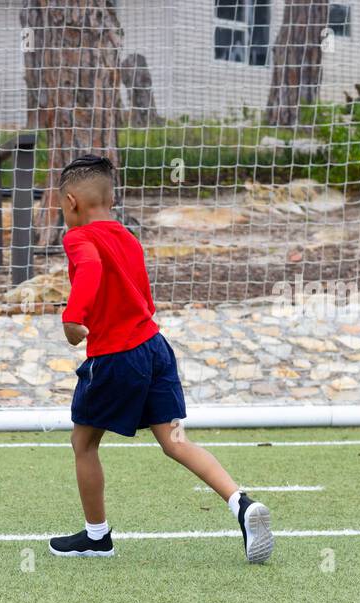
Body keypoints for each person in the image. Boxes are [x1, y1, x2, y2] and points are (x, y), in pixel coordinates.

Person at [47, 156, 274, 563]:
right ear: (111, 198)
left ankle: (97, 537)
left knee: (83, 441)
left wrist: (72, 317)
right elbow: (142, 299)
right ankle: (240, 504)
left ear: (70, 202)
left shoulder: (78, 238)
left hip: (117, 355)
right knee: (174, 440)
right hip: (154, 347)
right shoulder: (129, 238)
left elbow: (91, 270)